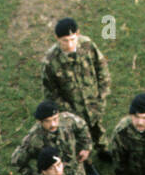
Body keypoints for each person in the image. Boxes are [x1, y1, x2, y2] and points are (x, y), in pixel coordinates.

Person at [42, 17, 112, 156]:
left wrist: (102, 95)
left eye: (73, 39)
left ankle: (102, 149)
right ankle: (87, 162)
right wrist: (68, 111)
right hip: (72, 109)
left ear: (78, 33)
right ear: (57, 38)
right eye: (65, 41)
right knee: (79, 137)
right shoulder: (50, 61)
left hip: (93, 102)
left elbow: (101, 67)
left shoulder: (87, 45)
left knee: (97, 127)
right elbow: (51, 93)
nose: (69, 44)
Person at [11, 100, 96, 175]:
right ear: (40, 122)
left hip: (75, 167)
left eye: (55, 119)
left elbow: (82, 127)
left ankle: (88, 168)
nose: (53, 124)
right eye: (47, 121)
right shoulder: (33, 139)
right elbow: (17, 162)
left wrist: (86, 148)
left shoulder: (67, 120)